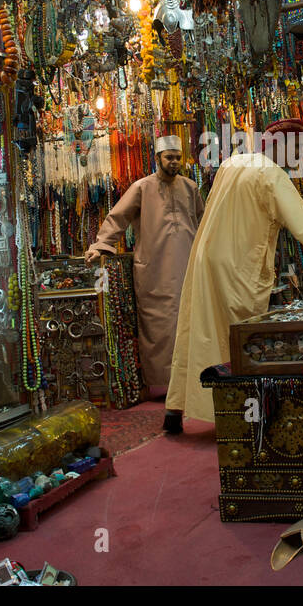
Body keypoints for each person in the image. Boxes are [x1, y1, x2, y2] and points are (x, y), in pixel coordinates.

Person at [166, 118, 303, 431]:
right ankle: (243, 414)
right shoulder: (272, 176)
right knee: (241, 339)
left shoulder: (232, 162)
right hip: (238, 266)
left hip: (205, 257)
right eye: (298, 150)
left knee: (197, 329)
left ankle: (175, 410)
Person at [85, 136, 203, 428]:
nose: (174, 162)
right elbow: (117, 219)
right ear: (157, 158)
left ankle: (189, 381)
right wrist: (101, 245)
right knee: (159, 324)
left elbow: (203, 223)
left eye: (178, 157)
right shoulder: (142, 187)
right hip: (155, 268)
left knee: (190, 321)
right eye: (169, 157)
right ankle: (163, 385)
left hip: (188, 264)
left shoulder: (190, 188)